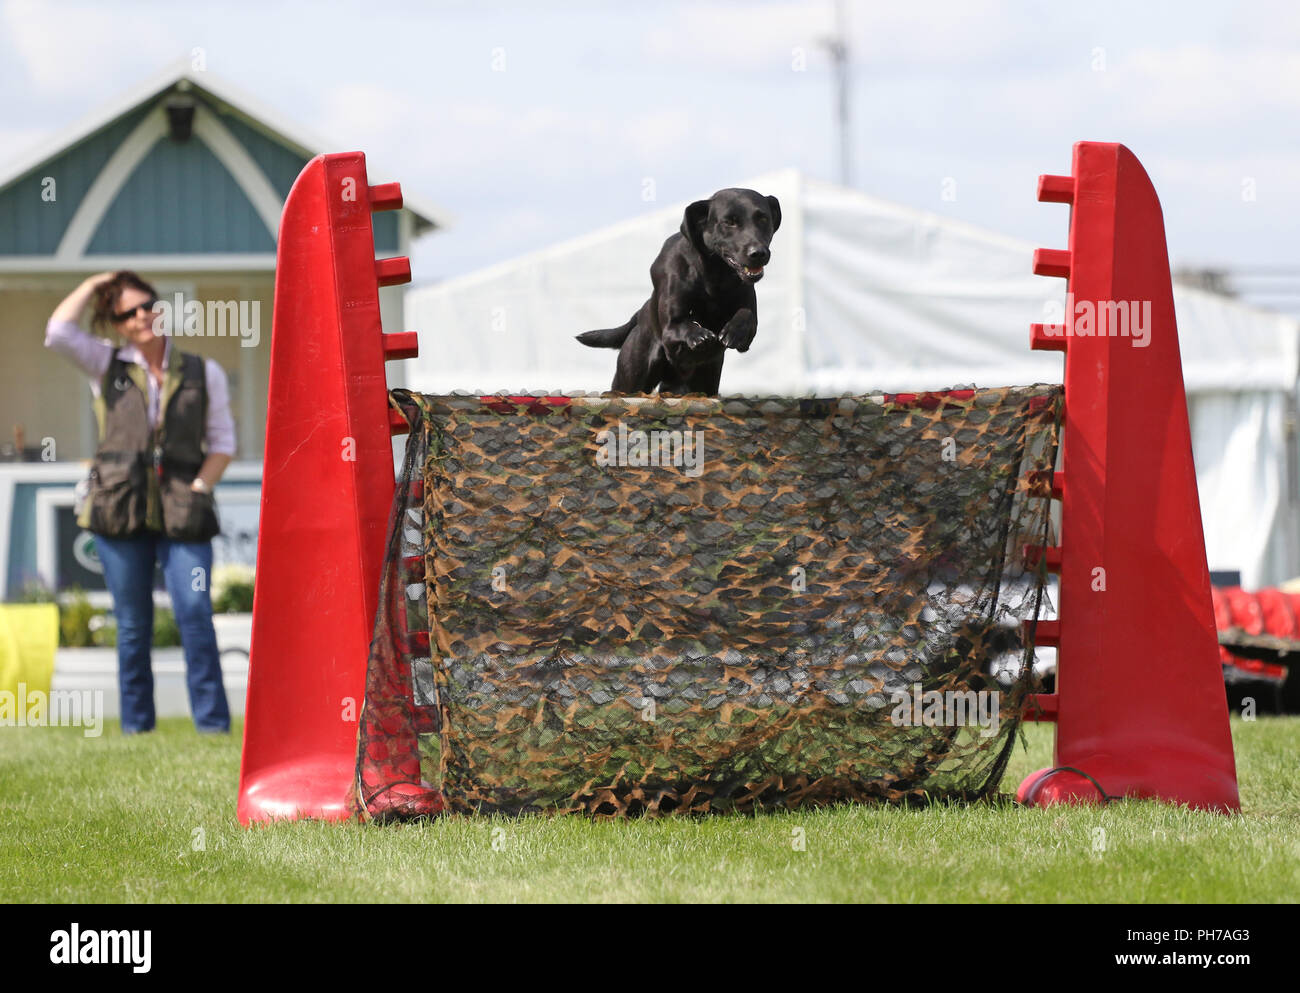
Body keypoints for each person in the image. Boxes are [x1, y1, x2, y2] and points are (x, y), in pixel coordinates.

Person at [46, 271, 236, 734]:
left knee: (194, 613)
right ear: (117, 323)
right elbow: (57, 333)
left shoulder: (202, 370)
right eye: (127, 312)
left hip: (183, 511)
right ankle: (138, 730)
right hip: (118, 511)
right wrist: (96, 282)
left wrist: (199, 489)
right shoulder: (103, 365)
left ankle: (212, 727)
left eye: (147, 305)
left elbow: (223, 443)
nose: (141, 316)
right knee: (133, 626)